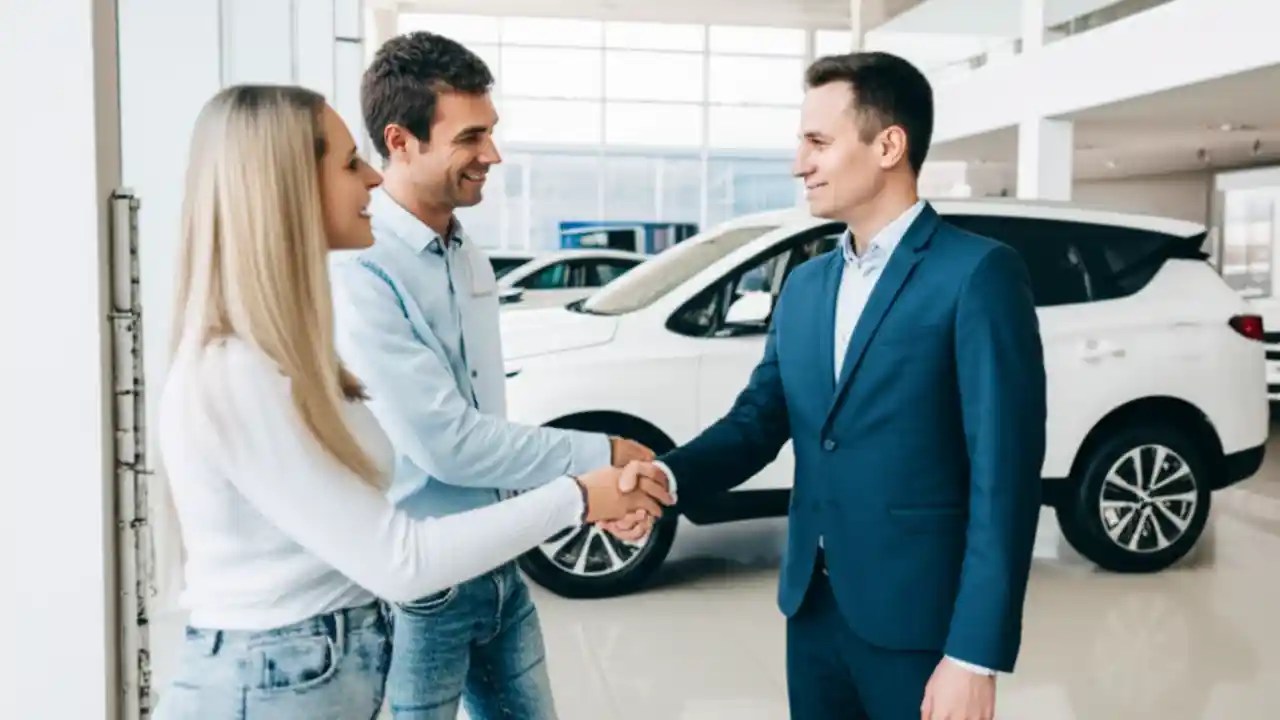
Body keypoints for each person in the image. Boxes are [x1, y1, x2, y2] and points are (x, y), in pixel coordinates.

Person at [153, 84, 671, 720]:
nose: (371, 175)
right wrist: (581, 494)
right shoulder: (237, 371)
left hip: (334, 654)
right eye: (349, 163)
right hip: (283, 673)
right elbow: (405, 547)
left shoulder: (289, 352)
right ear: (284, 186)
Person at [606, 52, 1046, 720]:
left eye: (818, 142)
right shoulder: (807, 282)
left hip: (921, 622)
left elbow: (1004, 479)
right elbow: (759, 418)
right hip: (811, 609)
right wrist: (668, 476)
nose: (798, 163)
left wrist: (973, 655)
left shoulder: (977, 273)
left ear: (889, 144)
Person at [327, 32, 657, 720]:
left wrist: (602, 498)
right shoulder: (361, 269)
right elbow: (445, 441)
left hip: (499, 566)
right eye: (471, 136)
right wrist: (602, 460)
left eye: (492, 132)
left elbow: (487, 419)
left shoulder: (462, 248)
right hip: (419, 591)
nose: (493, 155)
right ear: (402, 140)